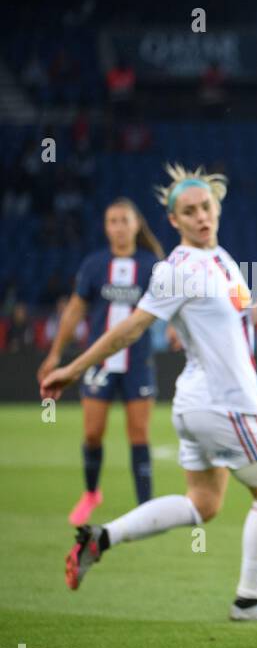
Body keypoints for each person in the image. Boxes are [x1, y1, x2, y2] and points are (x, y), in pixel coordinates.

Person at [41, 164, 257, 623]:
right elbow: (130, 329)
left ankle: (100, 538)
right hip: (228, 401)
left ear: (216, 208)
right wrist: (75, 369)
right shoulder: (176, 269)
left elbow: (236, 318)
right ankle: (249, 600)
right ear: (173, 221)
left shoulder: (223, 258)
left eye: (206, 207)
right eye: (189, 211)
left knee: (204, 504)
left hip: (197, 404)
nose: (201, 216)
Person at [38, 199, 164, 526]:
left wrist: (177, 331)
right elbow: (74, 312)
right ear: (105, 227)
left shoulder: (152, 266)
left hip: (138, 362)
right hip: (99, 364)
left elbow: (172, 306)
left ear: (137, 225)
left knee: (139, 434)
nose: (119, 227)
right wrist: (55, 353)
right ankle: (92, 493)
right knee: (93, 433)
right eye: (112, 221)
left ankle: (145, 508)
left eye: (124, 220)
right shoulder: (95, 266)